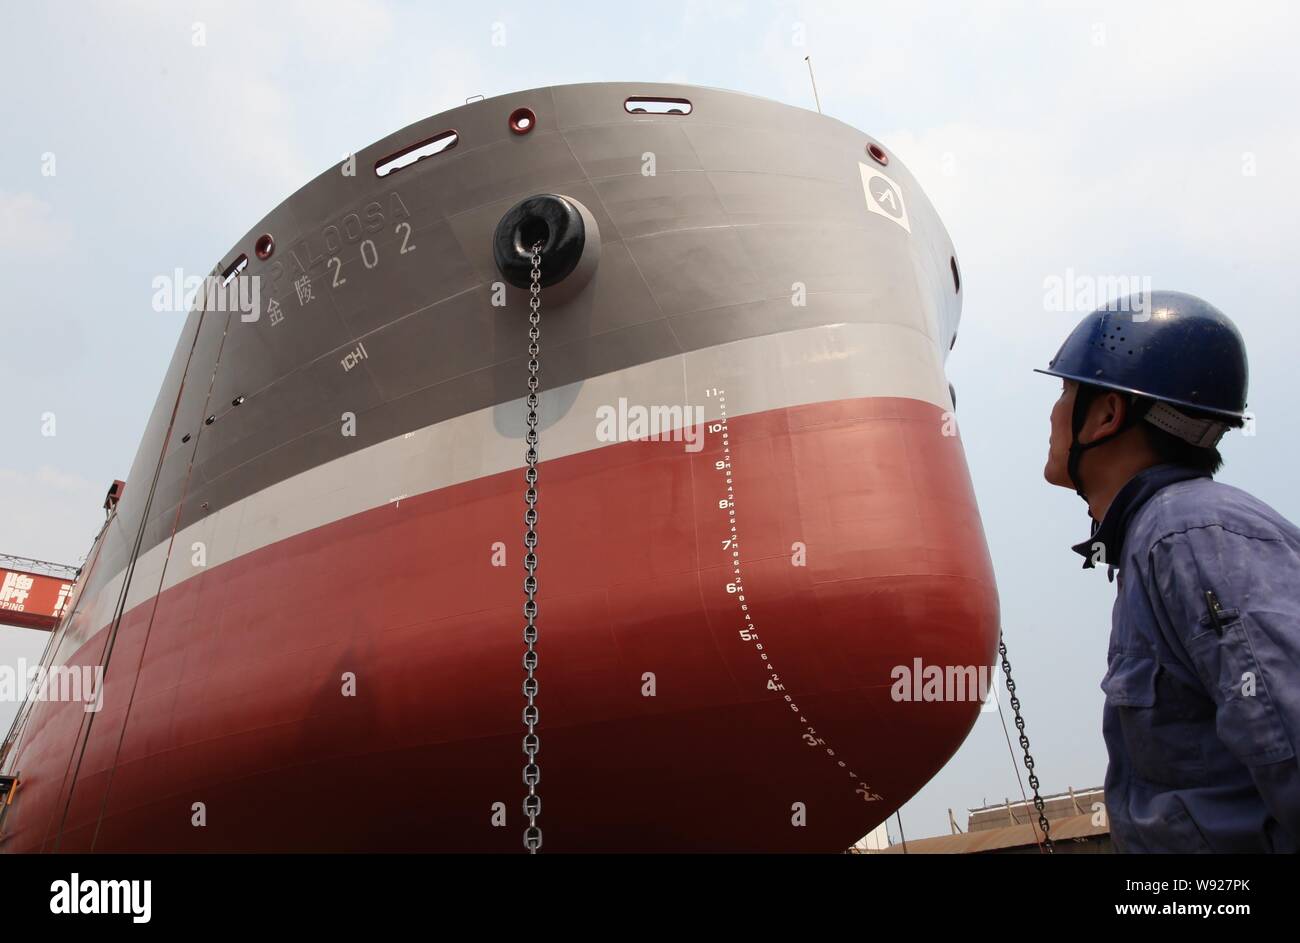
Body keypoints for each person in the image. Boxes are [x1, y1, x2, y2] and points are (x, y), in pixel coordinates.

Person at [1037, 290, 1300, 852]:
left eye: (1065, 390)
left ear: (1106, 415)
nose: (1054, 411)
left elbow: (1289, 737)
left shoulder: (1189, 535)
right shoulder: (1161, 539)